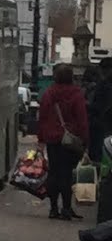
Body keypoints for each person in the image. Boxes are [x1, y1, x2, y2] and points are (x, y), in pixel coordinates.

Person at [37, 63, 90, 220]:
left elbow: (42, 117)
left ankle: (53, 208)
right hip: (70, 140)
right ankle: (66, 208)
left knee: (53, 173)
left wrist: (41, 139)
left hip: (52, 139)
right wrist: (85, 140)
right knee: (66, 174)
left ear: (56, 76)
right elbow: (82, 119)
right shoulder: (76, 94)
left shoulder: (49, 93)